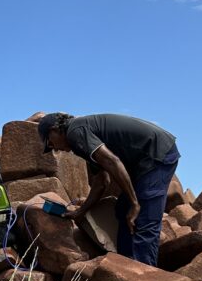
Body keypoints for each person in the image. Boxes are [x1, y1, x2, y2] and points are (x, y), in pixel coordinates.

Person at [38, 112, 179, 267]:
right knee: (122, 211)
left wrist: (135, 203)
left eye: (51, 144)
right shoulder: (81, 140)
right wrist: (81, 211)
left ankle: (144, 279)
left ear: (55, 129)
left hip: (155, 152)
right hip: (139, 160)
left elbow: (112, 161)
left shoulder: (75, 131)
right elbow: (102, 181)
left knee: (144, 218)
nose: (56, 149)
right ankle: (125, 267)